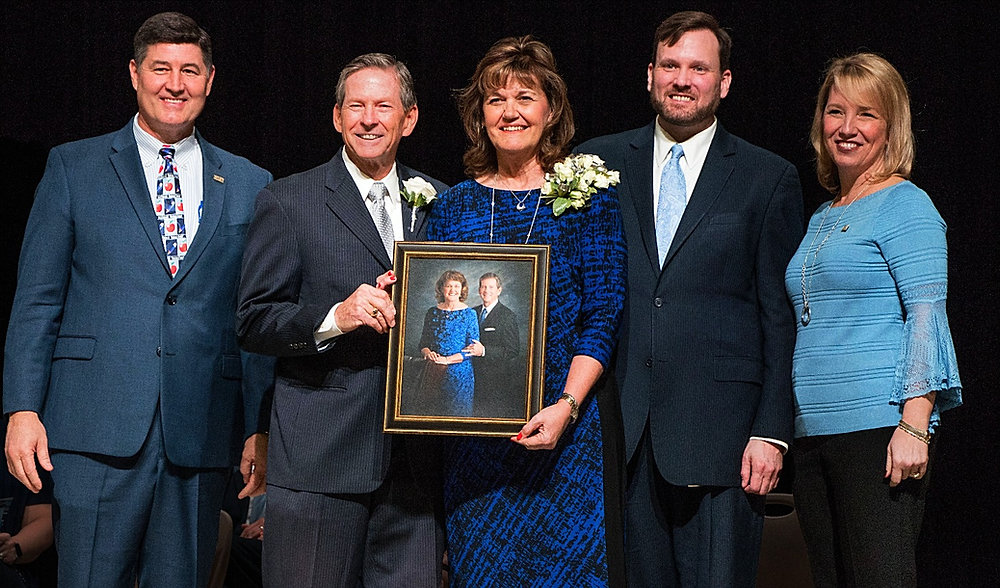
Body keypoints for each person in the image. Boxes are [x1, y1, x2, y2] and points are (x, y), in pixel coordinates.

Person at [2, 12, 273, 587]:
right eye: (161, 69)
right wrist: (22, 409)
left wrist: (258, 425)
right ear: (134, 74)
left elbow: (253, 316)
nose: (175, 84)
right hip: (93, 428)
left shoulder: (250, 183)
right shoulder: (73, 167)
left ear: (210, 80)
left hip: (201, 433)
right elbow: (37, 302)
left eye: (190, 71)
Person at [577, 11, 804, 586]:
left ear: (723, 82)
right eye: (671, 66)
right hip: (622, 429)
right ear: (650, 75)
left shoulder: (766, 176)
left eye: (698, 68)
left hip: (723, 436)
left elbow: (779, 318)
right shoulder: (598, 162)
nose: (683, 79)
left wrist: (771, 430)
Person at [236, 53, 448, 587]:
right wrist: (337, 316)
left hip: (415, 468)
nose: (369, 119)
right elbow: (254, 321)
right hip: (319, 461)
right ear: (337, 117)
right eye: (356, 106)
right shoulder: (288, 200)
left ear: (410, 118)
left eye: (383, 106)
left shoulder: (441, 202)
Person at [427, 36, 626, 586]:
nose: (510, 111)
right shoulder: (452, 207)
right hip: (475, 449)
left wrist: (566, 404)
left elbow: (603, 315)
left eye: (525, 96)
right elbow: (432, 306)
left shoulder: (589, 202)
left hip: (565, 440)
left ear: (551, 109)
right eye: (495, 100)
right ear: (478, 115)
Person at [784, 53, 962, 586]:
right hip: (815, 433)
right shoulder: (824, 212)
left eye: (866, 114)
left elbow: (927, 315)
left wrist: (915, 424)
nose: (846, 127)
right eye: (835, 111)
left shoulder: (907, 205)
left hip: (878, 431)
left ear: (891, 127)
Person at [417, 270, 479, 416]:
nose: (452, 290)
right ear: (441, 288)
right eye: (448, 286)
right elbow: (423, 343)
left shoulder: (470, 314)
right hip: (434, 373)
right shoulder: (432, 312)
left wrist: (446, 360)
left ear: (462, 289)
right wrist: (428, 354)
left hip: (460, 376)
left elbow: (472, 349)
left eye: (456, 286)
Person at [464, 272, 521, 417]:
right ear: (478, 290)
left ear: (499, 290)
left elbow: (512, 350)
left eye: (490, 287)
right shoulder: (472, 312)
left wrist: (484, 351)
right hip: (470, 376)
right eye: (483, 287)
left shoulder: (508, 316)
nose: (486, 291)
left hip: (495, 382)